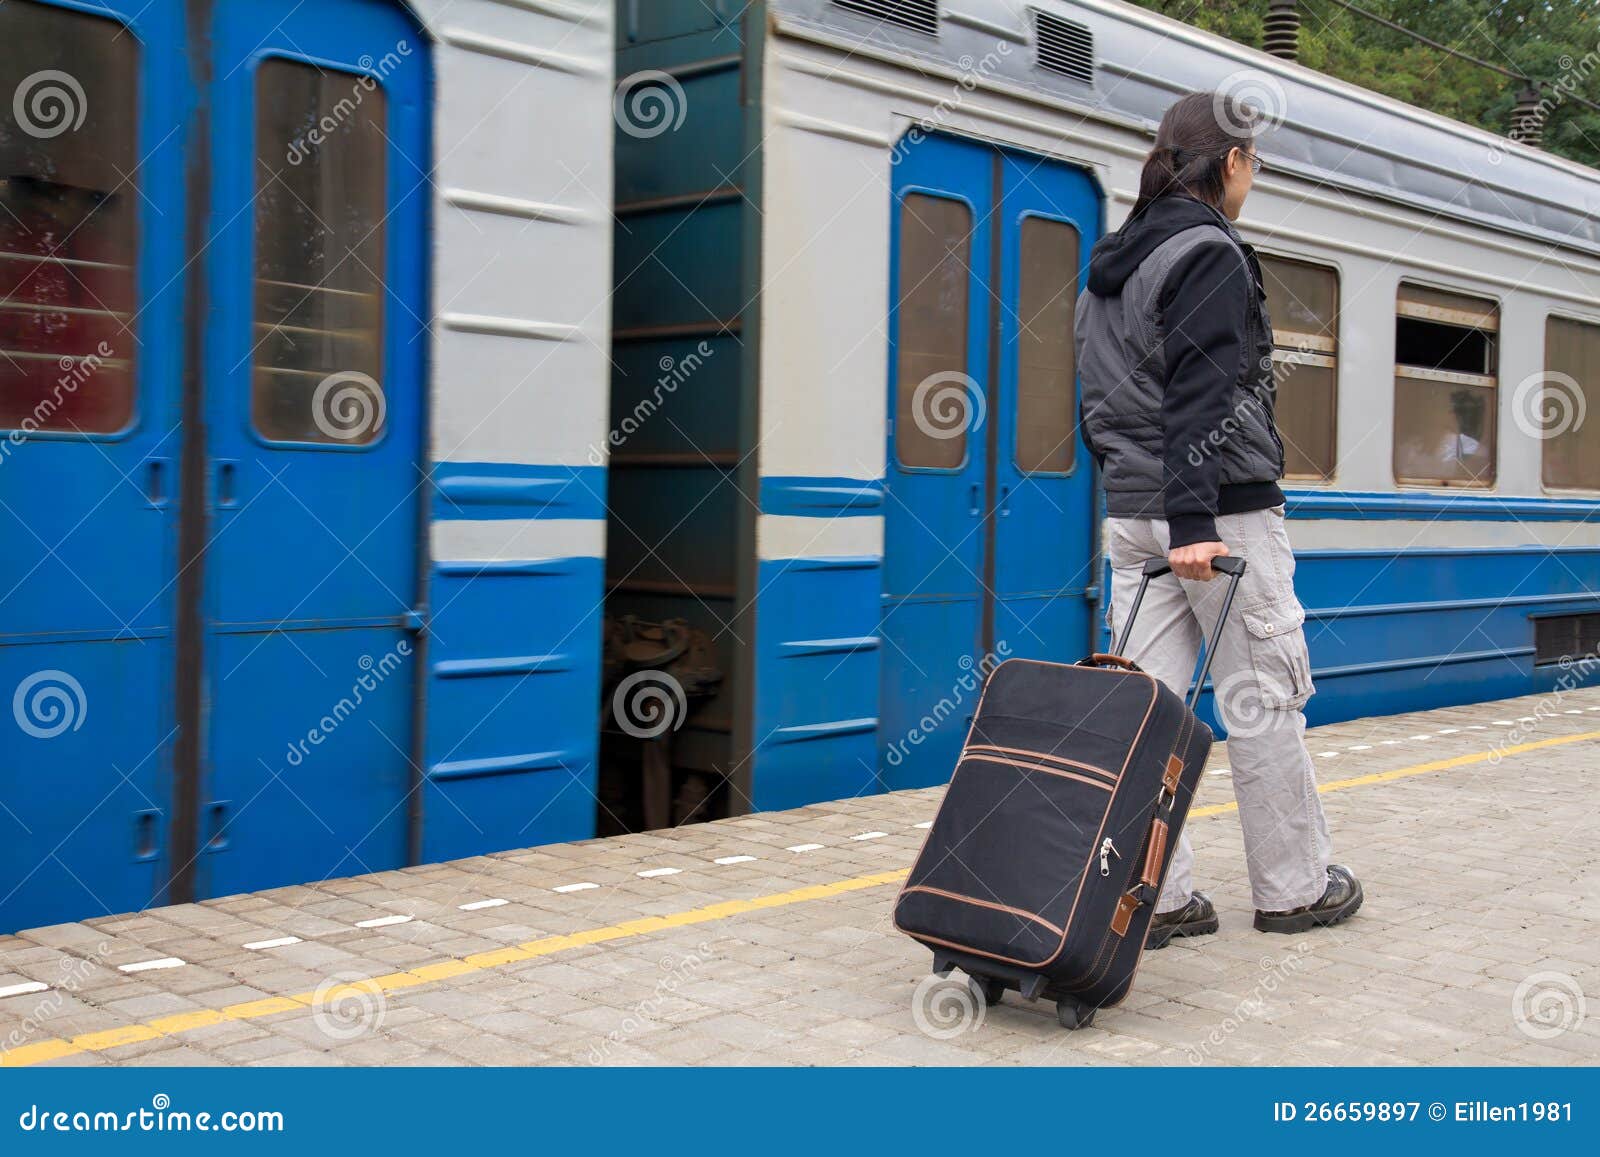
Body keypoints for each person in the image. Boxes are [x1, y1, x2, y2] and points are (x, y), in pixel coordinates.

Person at [1073, 91, 1363, 947]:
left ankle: (1155, 901)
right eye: (1254, 165)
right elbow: (1201, 395)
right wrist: (1194, 518)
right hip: (1217, 521)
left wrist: (1140, 501)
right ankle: (1295, 889)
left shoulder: (1110, 264)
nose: (1253, 180)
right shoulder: (1211, 254)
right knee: (1262, 699)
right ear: (1231, 164)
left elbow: (1101, 401)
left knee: (1146, 713)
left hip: (1133, 518)